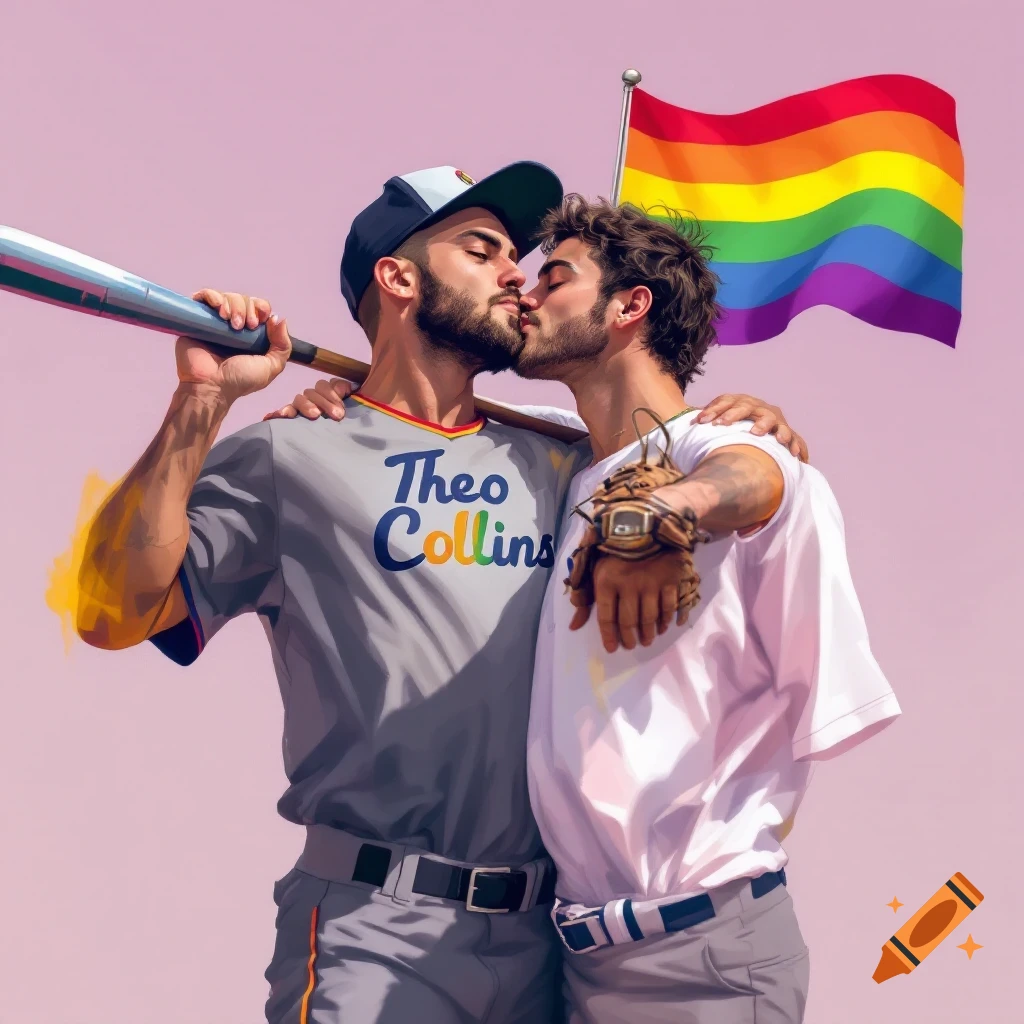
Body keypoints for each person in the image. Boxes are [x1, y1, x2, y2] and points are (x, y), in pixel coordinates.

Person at [75, 161, 802, 1024]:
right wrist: (199, 402)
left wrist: (747, 428)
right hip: (374, 929)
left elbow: (713, 467)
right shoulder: (291, 457)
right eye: (482, 249)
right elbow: (110, 611)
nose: (515, 276)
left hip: (553, 946)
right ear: (399, 277)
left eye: (521, 258)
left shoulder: (573, 460)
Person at [280, 196, 901, 1023]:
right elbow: (427, 411)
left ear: (628, 307)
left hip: (703, 955)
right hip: (566, 958)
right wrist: (340, 394)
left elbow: (760, 483)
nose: (525, 294)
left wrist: (664, 513)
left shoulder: (730, 453)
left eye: (556, 277)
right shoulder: (557, 458)